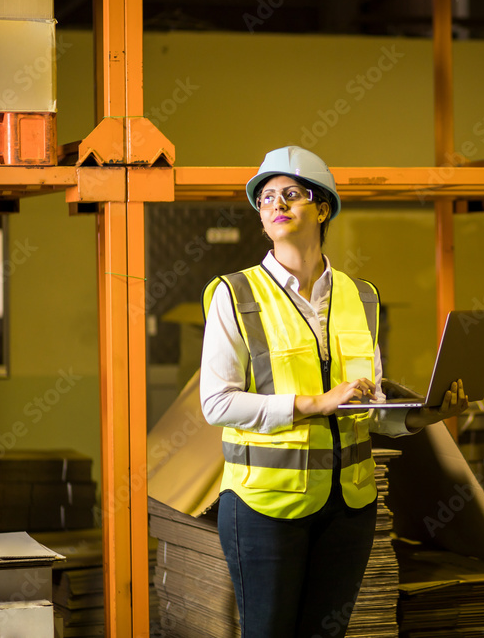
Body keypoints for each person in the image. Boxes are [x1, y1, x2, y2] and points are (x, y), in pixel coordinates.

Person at [199, 145, 468, 638]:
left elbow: (367, 409)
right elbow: (217, 402)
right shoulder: (235, 295)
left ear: (323, 209)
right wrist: (314, 403)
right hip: (265, 507)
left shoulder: (360, 296)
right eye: (266, 198)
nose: (276, 204)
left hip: (349, 506)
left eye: (291, 194)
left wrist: (422, 417)